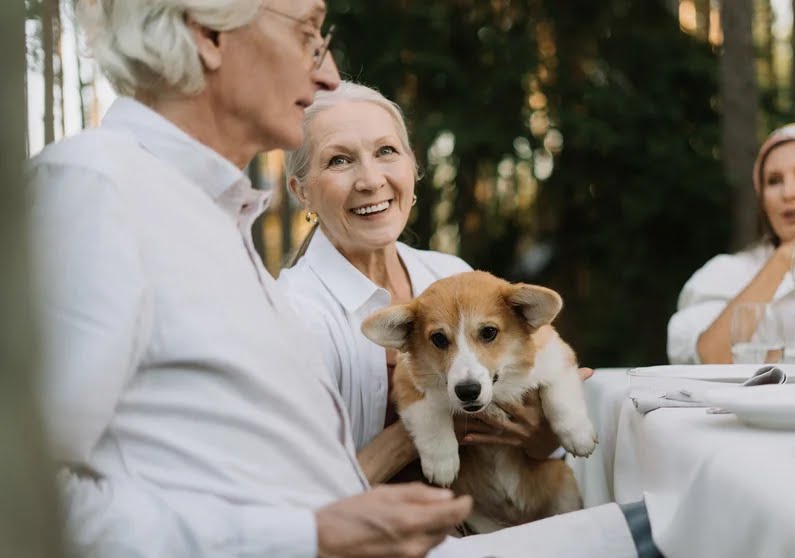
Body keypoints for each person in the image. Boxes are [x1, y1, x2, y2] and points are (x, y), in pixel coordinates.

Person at [29, 1, 660, 556]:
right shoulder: (97, 188)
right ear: (208, 34)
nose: (326, 73)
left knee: (690, 511)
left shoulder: (214, 225)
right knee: (691, 523)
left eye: (388, 151)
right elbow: (28, 493)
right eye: (309, 32)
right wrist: (312, 537)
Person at [276, 82, 567, 485]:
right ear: (300, 191)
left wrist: (540, 429)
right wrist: (417, 434)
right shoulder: (290, 314)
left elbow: (543, 449)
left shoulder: (451, 274)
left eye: (386, 152)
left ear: (412, 166)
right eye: (340, 160)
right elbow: (298, 500)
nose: (371, 180)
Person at [667, 124, 795, 365]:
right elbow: (710, 358)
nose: (788, 193)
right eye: (773, 181)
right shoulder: (727, 272)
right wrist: (784, 258)